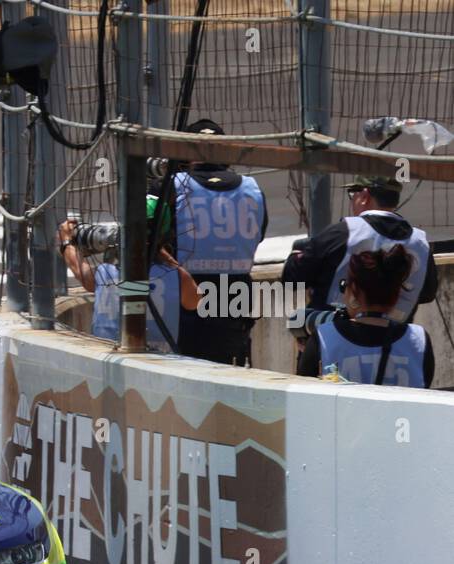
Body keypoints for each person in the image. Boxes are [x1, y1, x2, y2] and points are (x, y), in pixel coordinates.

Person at [167, 119, 269, 366]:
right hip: (236, 293)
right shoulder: (252, 188)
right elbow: (259, 233)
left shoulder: (174, 185)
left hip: (187, 294)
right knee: (232, 369)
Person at [282, 174, 438, 321]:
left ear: (364, 196)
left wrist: (297, 254)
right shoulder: (420, 241)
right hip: (396, 342)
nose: (352, 199)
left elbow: (292, 278)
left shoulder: (342, 232)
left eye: (352, 193)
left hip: (334, 341)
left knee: (300, 320)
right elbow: (427, 293)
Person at [59, 206, 200, 351]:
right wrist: (158, 249)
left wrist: (66, 242)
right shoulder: (176, 277)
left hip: (106, 360)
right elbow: (194, 301)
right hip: (160, 362)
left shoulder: (105, 273)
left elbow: (78, 268)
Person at [295, 246, 435, 388]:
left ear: (353, 290)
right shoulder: (419, 340)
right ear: (398, 293)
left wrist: (306, 352)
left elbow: (303, 396)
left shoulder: (324, 339)